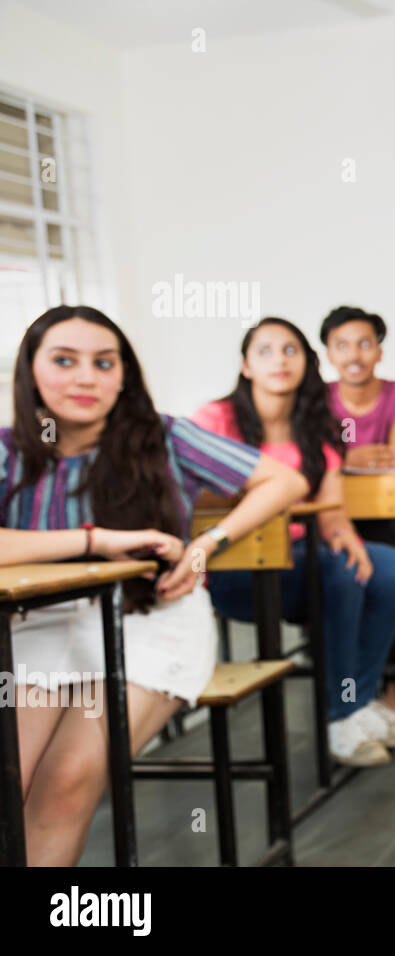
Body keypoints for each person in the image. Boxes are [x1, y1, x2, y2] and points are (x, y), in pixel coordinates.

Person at [3, 305, 308, 866]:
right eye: (64, 360)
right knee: (9, 775)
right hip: (39, 627)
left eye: (103, 362)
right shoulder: (10, 449)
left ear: (124, 374)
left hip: (150, 621)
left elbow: (283, 480)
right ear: (30, 370)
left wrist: (206, 545)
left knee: (68, 778)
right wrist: (95, 541)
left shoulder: (165, 436)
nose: (85, 377)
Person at [192, 317, 395, 768]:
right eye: (265, 350)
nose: (279, 359)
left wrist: (347, 537)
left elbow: (331, 509)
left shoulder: (315, 427)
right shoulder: (215, 419)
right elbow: (192, 496)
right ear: (245, 365)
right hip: (235, 567)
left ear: (308, 363)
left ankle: (360, 699)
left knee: (388, 567)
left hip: (302, 561)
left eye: (291, 350)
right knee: (334, 569)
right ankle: (341, 715)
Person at [321, 305, 395, 470]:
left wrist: (337, 461)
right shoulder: (316, 397)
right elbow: (305, 463)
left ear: (379, 353)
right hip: (337, 496)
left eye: (364, 344)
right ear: (330, 356)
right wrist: (347, 459)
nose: (354, 356)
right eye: (342, 346)